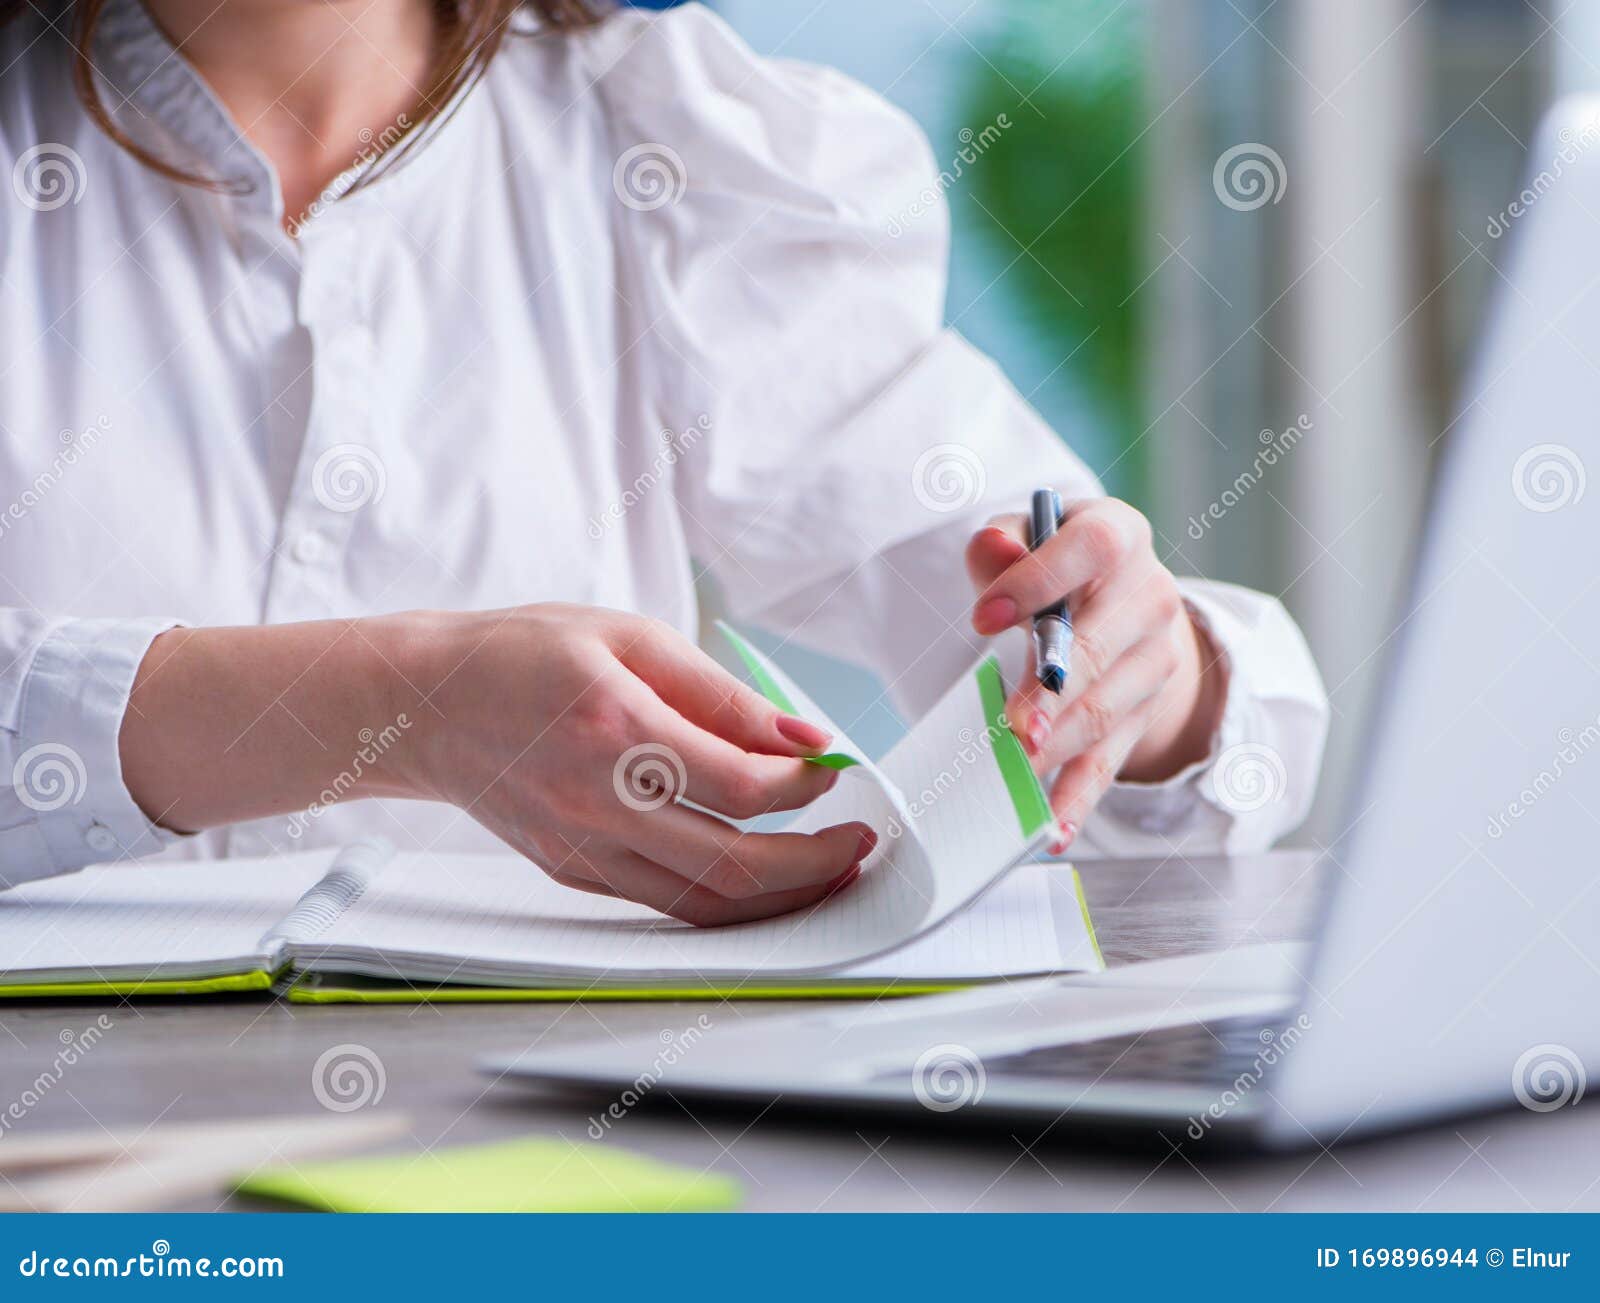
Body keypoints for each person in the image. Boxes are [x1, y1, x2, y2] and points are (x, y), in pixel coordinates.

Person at [0, 0, 1328, 925]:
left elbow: (1050, 640)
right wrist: (392, 702)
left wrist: (1150, 691)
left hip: (527, 1177)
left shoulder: (669, 142)